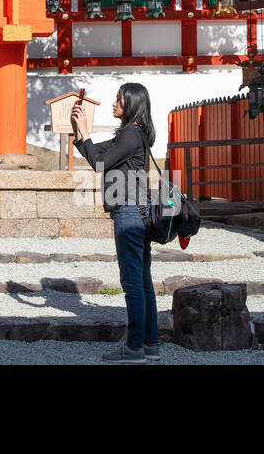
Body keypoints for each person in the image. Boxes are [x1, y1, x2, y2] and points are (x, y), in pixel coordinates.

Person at [71, 82, 160, 363]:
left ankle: (135, 347)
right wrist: (79, 132)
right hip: (137, 211)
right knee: (143, 281)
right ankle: (150, 344)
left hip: (128, 212)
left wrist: (84, 131)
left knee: (133, 282)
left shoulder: (130, 135)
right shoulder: (132, 135)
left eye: (118, 99)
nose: (113, 103)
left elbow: (98, 164)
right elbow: (96, 155)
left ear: (131, 103)